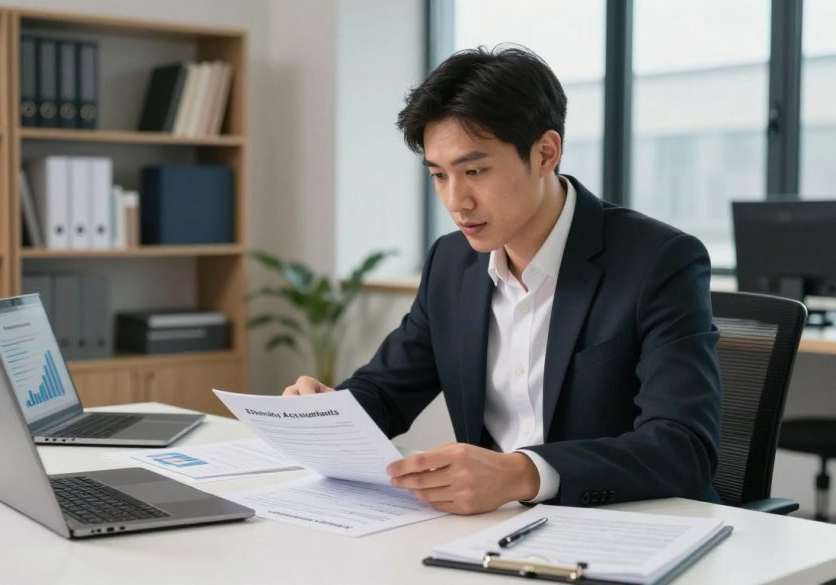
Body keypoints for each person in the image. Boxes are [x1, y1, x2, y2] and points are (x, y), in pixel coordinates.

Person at [282, 46, 722, 515]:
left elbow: (683, 445)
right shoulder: (452, 263)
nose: (456, 202)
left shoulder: (657, 260)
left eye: (474, 171)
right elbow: (388, 389)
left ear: (545, 153)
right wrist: (327, 415)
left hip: (627, 526)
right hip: (489, 531)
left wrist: (521, 473)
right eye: (439, 175)